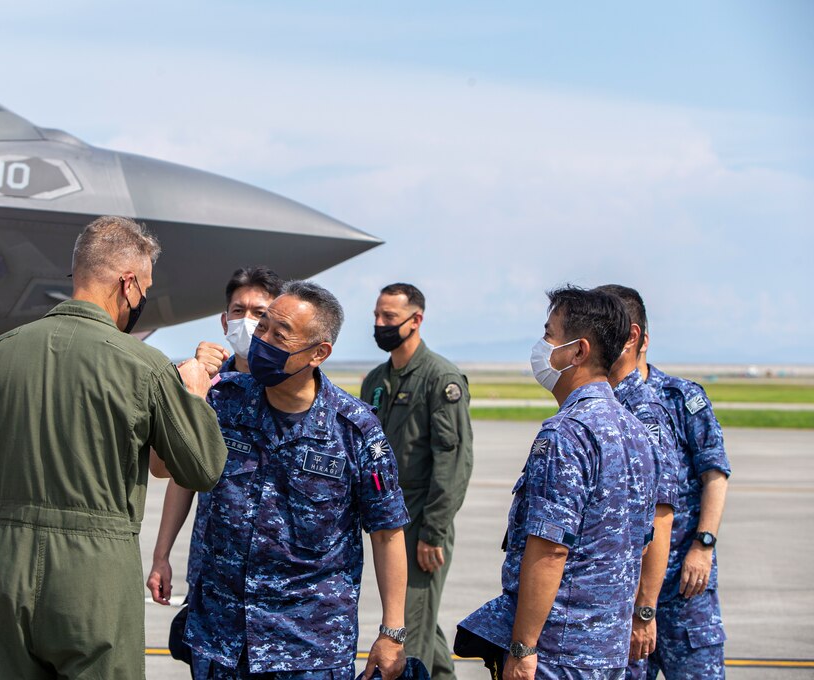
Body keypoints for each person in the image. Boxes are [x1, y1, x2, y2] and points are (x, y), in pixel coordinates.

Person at [0, 215, 229, 680]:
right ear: (128, 282)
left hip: (5, 565)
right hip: (94, 573)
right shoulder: (144, 366)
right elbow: (202, 468)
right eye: (145, 288)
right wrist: (194, 396)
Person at [185, 280, 411, 680]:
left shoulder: (355, 430)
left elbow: (387, 532)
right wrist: (187, 393)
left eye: (280, 334)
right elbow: (164, 468)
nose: (263, 339)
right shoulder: (222, 401)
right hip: (222, 640)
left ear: (319, 353)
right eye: (263, 328)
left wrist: (392, 632)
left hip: (309, 646)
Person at [455, 286, 655, 680]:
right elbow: (640, 541)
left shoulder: (567, 434)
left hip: (558, 651)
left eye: (549, 335)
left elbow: (550, 550)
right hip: (607, 650)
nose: (541, 347)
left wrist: (524, 647)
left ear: (578, 351)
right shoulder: (635, 431)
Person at [146, 266, 283, 677]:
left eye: (260, 312)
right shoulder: (211, 390)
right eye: (238, 310)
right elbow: (170, 471)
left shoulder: (293, 388)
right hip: (216, 586)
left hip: (281, 596)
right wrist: (161, 555)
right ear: (224, 321)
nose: (247, 320)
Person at [360, 283, 473, 680]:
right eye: (377, 315)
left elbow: (454, 460)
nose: (380, 324)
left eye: (389, 317)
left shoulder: (440, 378)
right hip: (388, 523)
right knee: (423, 624)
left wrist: (433, 532)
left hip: (421, 524)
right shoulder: (376, 379)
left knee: (407, 635)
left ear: (415, 320)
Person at [592, 285, 679, 677]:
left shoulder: (644, 412)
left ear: (630, 337)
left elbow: (660, 516)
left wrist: (644, 610)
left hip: (623, 612)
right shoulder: (602, 402)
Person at [637, 324, 730, 679]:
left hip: (685, 586)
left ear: (640, 338)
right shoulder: (605, 402)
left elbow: (715, 474)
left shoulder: (680, 397)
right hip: (628, 591)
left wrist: (703, 545)